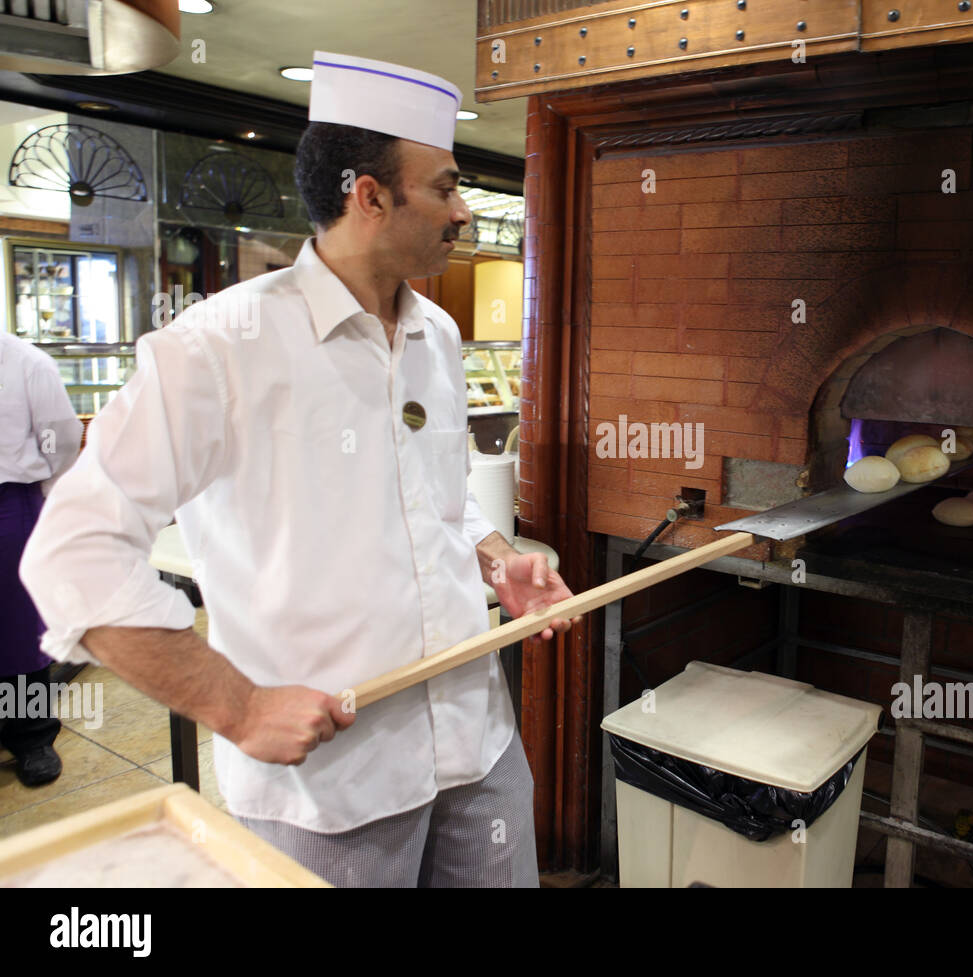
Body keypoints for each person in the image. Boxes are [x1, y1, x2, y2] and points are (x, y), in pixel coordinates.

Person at [20, 52, 580, 887]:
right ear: (369, 196)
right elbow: (71, 552)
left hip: (477, 746)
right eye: (445, 187)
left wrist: (497, 559)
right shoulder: (216, 349)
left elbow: (442, 503)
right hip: (329, 790)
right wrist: (236, 705)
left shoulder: (437, 338)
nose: (463, 211)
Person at [1, 332, 80, 786]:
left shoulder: (28, 364)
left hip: (9, 502)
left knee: (18, 627)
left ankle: (31, 736)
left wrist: (43, 492)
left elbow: (63, 440)